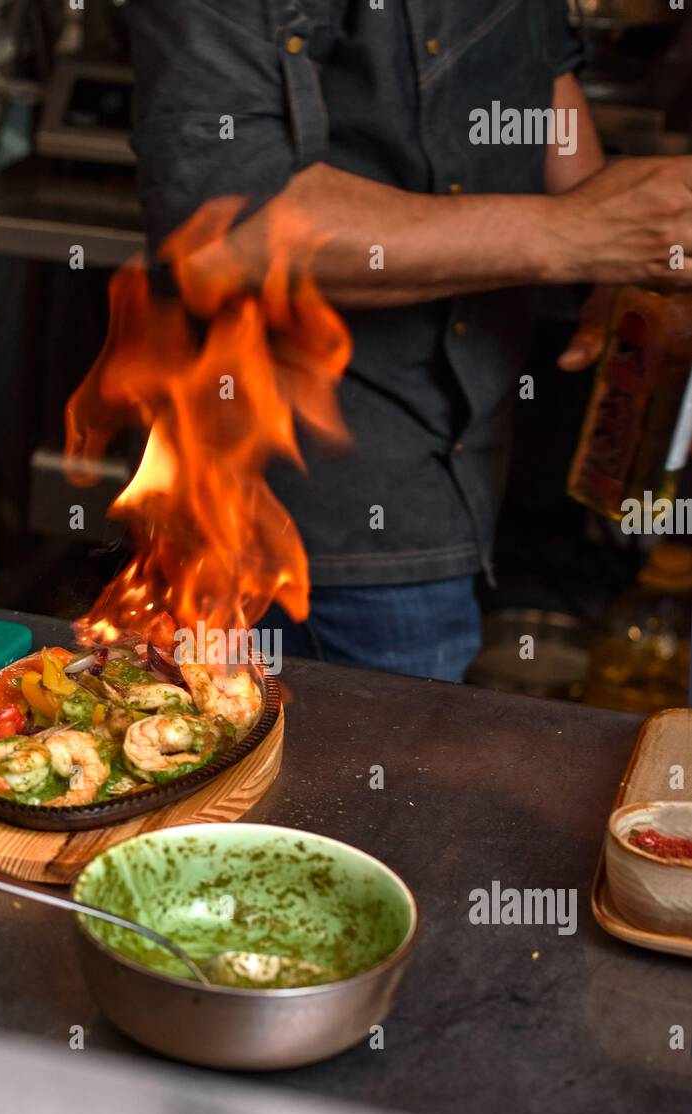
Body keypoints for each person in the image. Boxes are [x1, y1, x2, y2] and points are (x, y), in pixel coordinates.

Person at [126, 1, 692, 678]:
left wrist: (615, 255)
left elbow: (537, 68)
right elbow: (225, 232)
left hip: (477, 454)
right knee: (356, 774)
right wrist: (576, 232)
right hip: (310, 499)